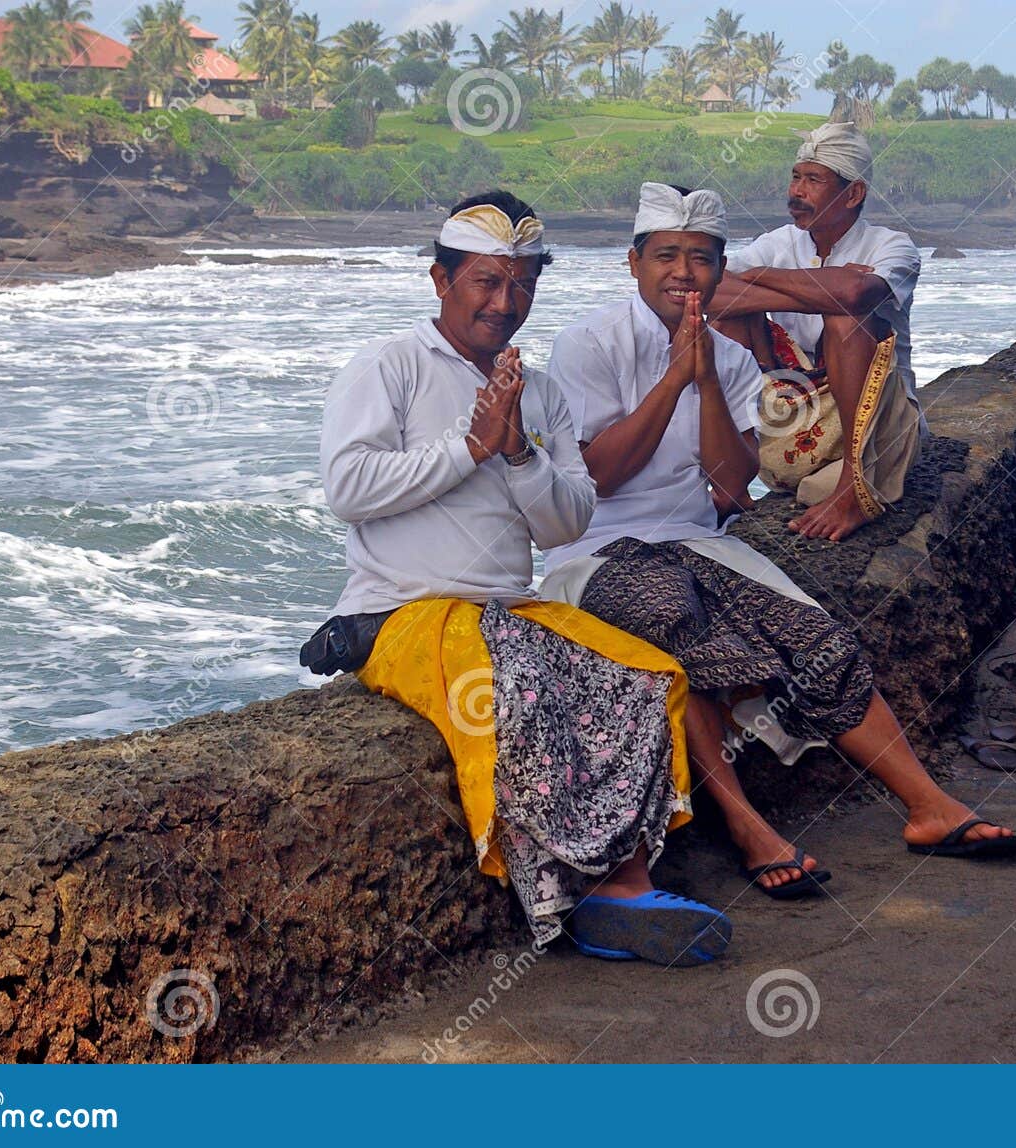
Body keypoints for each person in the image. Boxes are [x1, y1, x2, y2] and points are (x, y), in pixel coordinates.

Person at [538, 182, 1016, 900]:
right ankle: (747, 826)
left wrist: (705, 381)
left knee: (820, 638)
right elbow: (602, 477)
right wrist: (674, 377)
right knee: (675, 626)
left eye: (701, 259)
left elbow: (733, 489)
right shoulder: (589, 343)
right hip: (597, 550)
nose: (684, 273)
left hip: (696, 537)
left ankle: (927, 806)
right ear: (633, 264)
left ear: (720, 268)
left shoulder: (730, 360)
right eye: (667, 257)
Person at [312, 190, 730, 965]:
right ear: (440, 281)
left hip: (507, 606)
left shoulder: (537, 391)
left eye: (524, 284)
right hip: (407, 612)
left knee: (641, 674)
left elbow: (567, 521)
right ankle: (603, 895)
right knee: (528, 685)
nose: (507, 304)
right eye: (486, 283)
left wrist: (516, 454)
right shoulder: (388, 365)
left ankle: (618, 884)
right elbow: (349, 489)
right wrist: (466, 450)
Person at [710, 121, 926, 543]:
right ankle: (729, 486)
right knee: (727, 320)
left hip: (874, 425)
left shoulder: (893, 247)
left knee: (847, 321)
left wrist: (760, 283)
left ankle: (852, 487)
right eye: (795, 177)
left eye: (813, 180)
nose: (796, 191)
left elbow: (855, 295)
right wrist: (809, 285)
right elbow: (712, 293)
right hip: (796, 411)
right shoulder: (779, 243)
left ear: (854, 194)